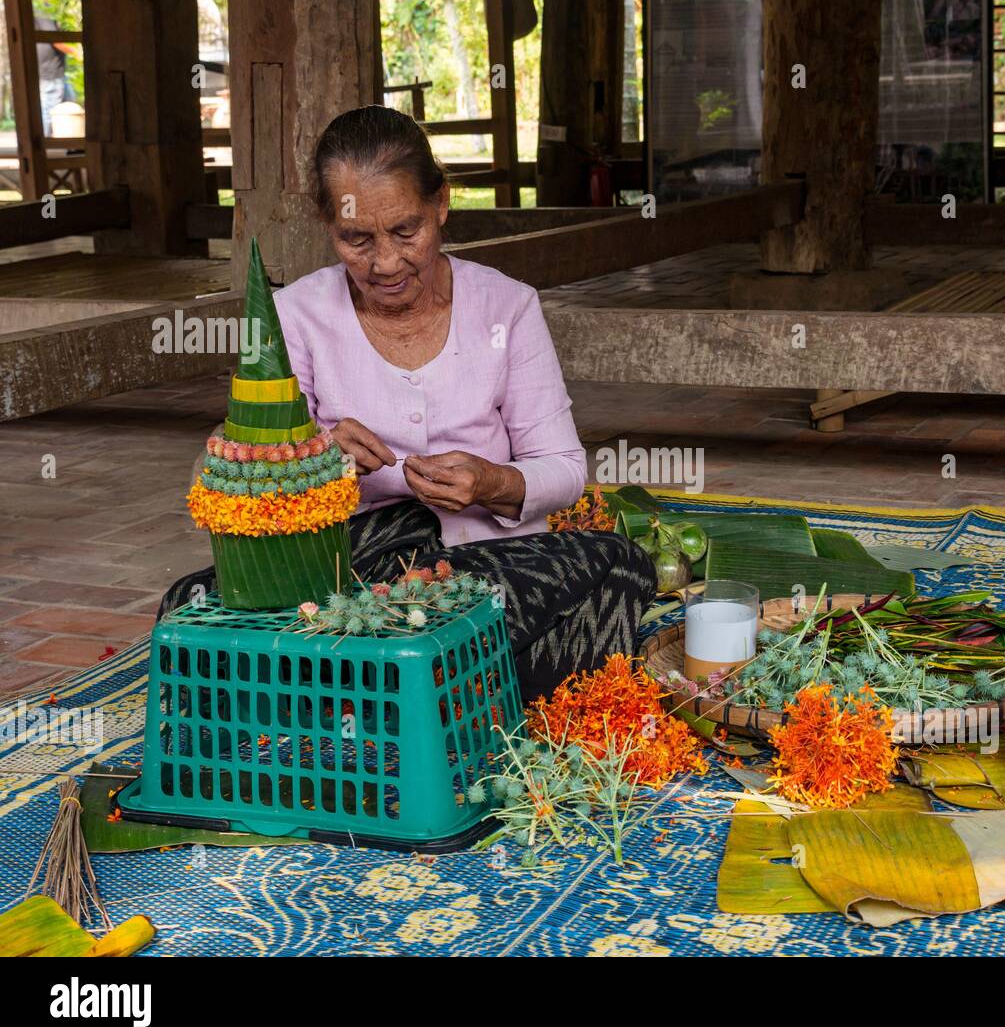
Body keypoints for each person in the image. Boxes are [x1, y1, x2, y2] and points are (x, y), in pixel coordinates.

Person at [161, 105, 655, 703]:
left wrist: (491, 482)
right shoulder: (296, 316)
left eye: (406, 232)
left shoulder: (507, 307)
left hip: (491, 570)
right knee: (189, 606)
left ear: (442, 204)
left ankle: (366, 683)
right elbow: (221, 477)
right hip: (355, 578)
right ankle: (441, 685)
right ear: (329, 224)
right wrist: (314, 457)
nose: (386, 263)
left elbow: (565, 468)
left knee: (620, 564)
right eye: (356, 239)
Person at [31, 0, 75, 135]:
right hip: (50, 71)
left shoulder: (51, 10)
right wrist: (76, 52)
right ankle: (45, 146)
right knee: (49, 112)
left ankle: (71, 145)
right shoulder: (43, 9)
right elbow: (54, 39)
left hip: (56, 70)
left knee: (70, 103)